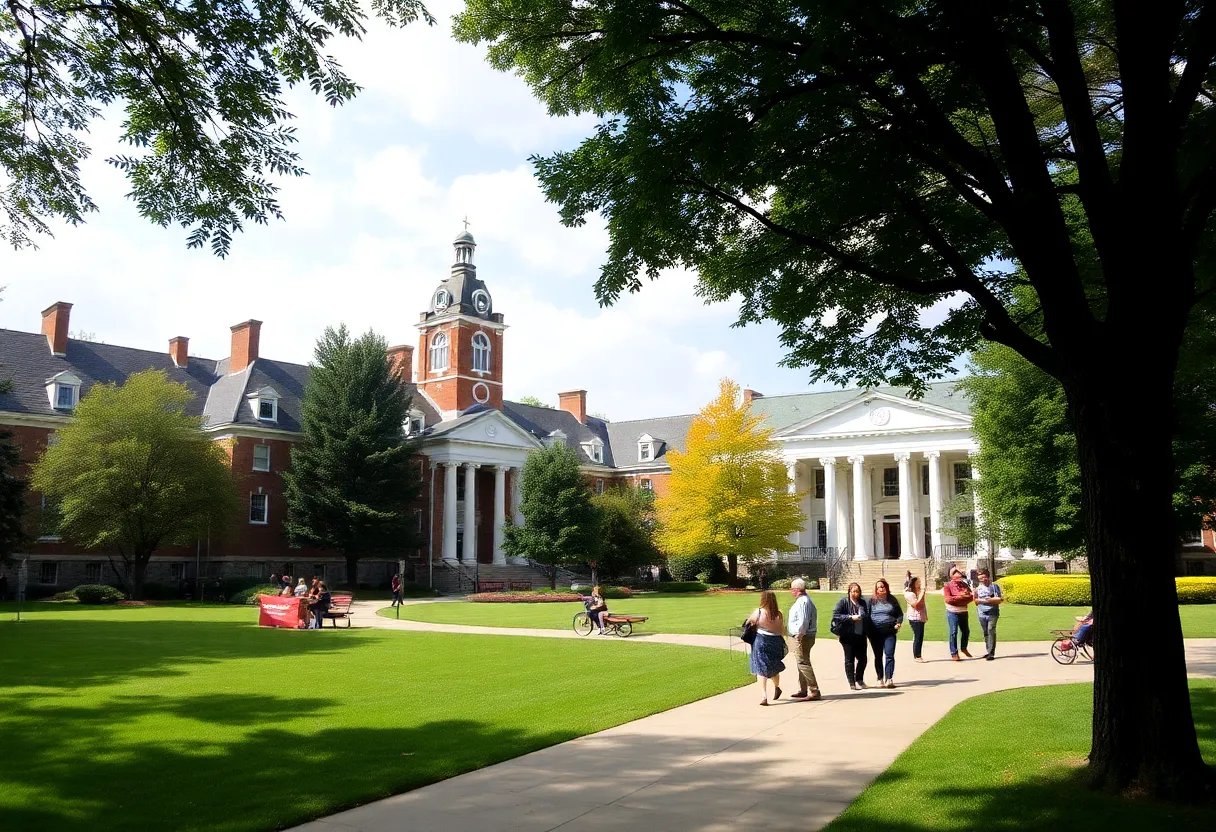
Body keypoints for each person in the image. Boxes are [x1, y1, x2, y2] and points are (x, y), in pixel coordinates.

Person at [746, 590, 786, 705]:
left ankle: (764, 696)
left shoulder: (759, 612)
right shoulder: (779, 614)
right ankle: (776, 687)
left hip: (761, 641)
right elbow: (780, 629)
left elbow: (749, 622)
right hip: (775, 642)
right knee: (773, 667)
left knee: (760, 668)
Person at [786, 578, 821, 700]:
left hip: (802, 636)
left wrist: (800, 635)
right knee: (801, 662)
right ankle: (803, 688)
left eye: (792, 589)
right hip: (802, 635)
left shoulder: (803, 602)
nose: (791, 592)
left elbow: (804, 620)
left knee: (803, 662)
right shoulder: (804, 601)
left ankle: (814, 689)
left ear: (796, 590)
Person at [866, 578, 904, 688]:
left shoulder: (892, 600)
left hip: (889, 632)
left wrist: (898, 623)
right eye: (878, 587)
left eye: (882, 586)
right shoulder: (872, 601)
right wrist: (867, 630)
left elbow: (900, 614)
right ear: (876, 590)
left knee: (889, 654)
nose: (880, 588)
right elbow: (867, 616)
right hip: (875, 633)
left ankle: (889, 678)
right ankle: (880, 678)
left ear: (886, 587)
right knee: (878, 656)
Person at [832, 582, 869, 690]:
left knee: (863, 659)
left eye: (857, 591)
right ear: (849, 592)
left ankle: (859, 679)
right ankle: (851, 682)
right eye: (853, 591)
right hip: (847, 635)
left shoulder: (862, 603)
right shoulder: (843, 602)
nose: (855, 593)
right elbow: (836, 615)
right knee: (849, 659)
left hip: (860, 634)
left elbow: (866, 615)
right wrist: (850, 617)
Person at [943, 567, 974, 660]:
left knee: (966, 631)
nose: (959, 579)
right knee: (953, 632)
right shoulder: (947, 586)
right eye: (957, 578)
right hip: (952, 612)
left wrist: (959, 598)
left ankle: (964, 648)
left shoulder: (964, 585)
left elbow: (970, 597)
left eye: (960, 577)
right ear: (952, 577)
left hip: (963, 611)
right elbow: (948, 600)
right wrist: (961, 596)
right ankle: (954, 653)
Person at [974, 569, 1003, 660]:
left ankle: (991, 653)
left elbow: (999, 599)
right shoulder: (978, 588)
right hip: (981, 612)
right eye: (980, 578)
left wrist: (990, 600)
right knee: (985, 631)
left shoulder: (994, 586)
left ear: (988, 576)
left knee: (991, 629)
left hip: (992, 611)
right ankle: (988, 650)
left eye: (983, 577)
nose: (982, 580)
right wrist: (986, 600)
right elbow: (975, 600)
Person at [904, 576, 928, 663]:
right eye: (918, 583)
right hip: (915, 618)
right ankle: (917, 655)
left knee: (919, 636)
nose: (920, 584)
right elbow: (916, 606)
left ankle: (918, 654)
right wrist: (922, 595)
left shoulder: (916, 593)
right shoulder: (909, 594)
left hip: (920, 617)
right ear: (913, 584)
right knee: (918, 636)